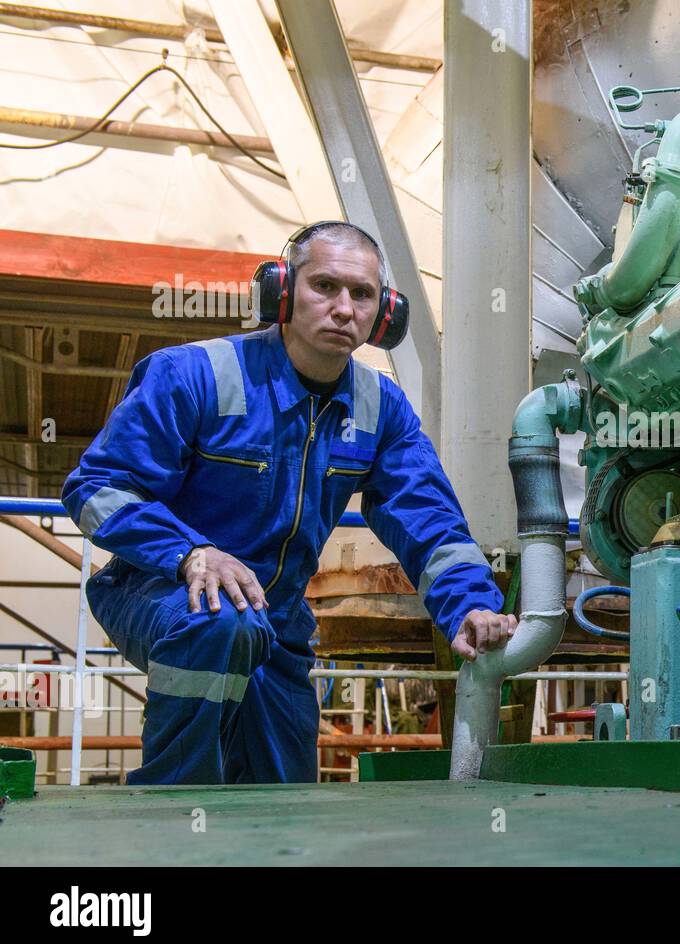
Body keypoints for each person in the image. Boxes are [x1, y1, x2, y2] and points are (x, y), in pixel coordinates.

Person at [62, 221, 516, 785]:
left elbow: (430, 522)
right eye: (324, 286)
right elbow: (96, 488)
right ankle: (170, 802)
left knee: (285, 792)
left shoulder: (380, 407)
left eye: (362, 294)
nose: (344, 308)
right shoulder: (194, 374)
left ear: (385, 314)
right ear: (280, 292)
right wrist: (191, 553)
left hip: (276, 621)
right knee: (221, 623)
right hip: (161, 592)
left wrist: (470, 605)